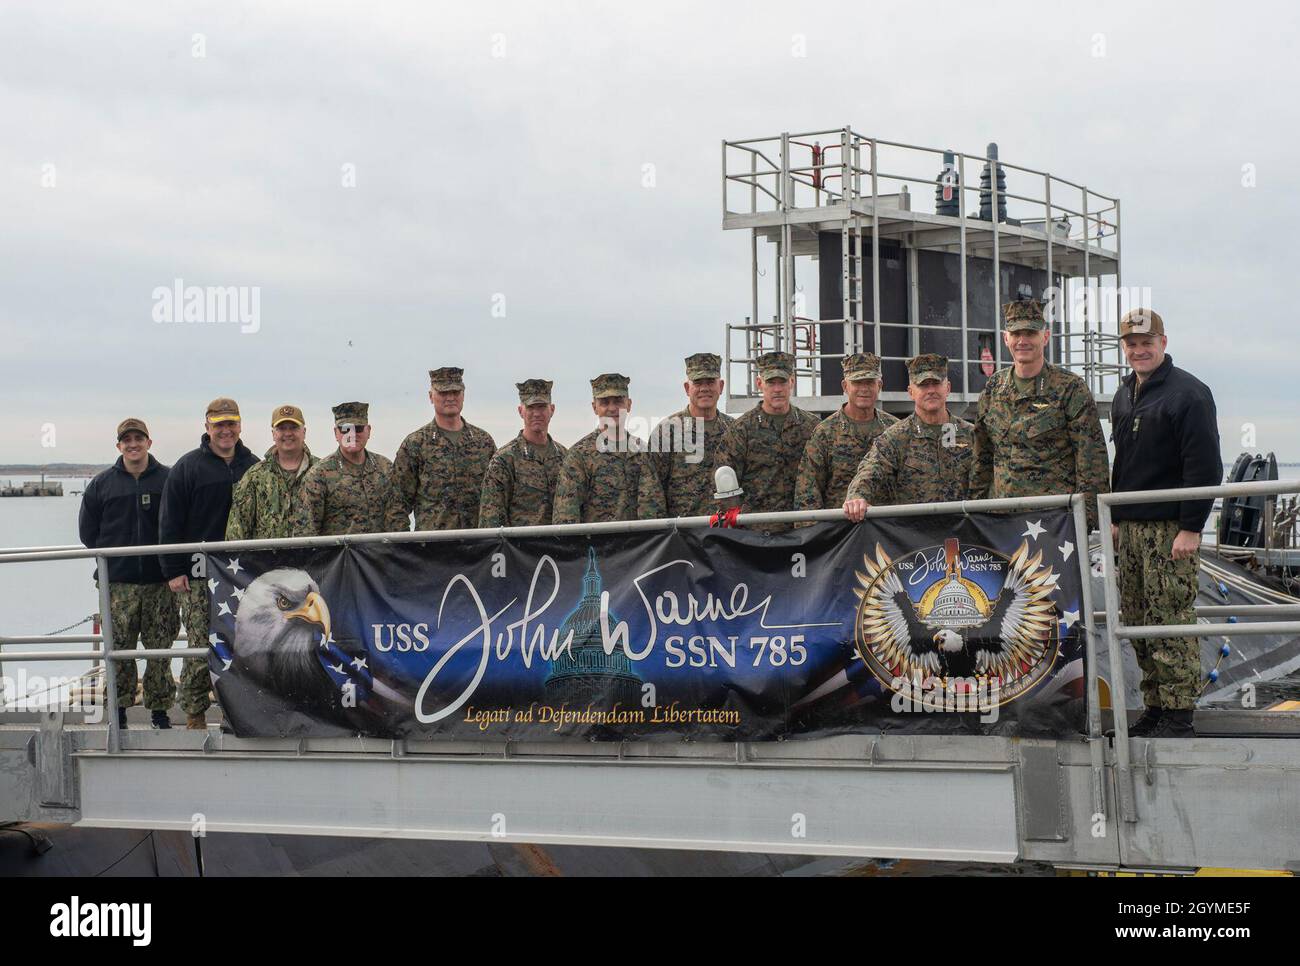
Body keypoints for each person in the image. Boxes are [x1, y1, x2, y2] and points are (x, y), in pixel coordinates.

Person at [1110, 308, 1220, 738]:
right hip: (1132, 528)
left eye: (1146, 342)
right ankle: (1154, 705)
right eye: (1131, 344)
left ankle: (1178, 714)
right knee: (1137, 619)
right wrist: (1117, 516)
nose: (1139, 350)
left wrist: (1192, 527)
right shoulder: (1125, 393)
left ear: (1163, 342)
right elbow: (1124, 461)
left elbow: (1205, 466)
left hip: (1170, 528)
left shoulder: (1188, 394)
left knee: (1169, 616)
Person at [158, 398, 259, 728]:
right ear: (207, 428)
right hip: (198, 575)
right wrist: (172, 570)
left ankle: (237, 713)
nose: (225, 430)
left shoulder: (254, 466)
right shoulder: (187, 468)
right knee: (201, 645)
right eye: (219, 425)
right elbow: (169, 522)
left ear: (240, 426)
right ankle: (194, 713)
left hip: (243, 576)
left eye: (231, 423)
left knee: (242, 646)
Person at [969, 298, 1110, 531]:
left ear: (1044, 337)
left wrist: (1087, 523)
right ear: (1006, 338)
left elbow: (1091, 464)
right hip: (1001, 523)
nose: (1022, 341)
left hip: (1055, 524)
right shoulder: (993, 389)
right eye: (1016, 334)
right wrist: (976, 515)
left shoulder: (1070, 388)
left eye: (1031, 333)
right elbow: (981, 459)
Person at [79, 418, 179, 729]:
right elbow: (88, 533)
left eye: (139, 438)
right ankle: (118, 712)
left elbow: (179, 524)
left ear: (150, 442)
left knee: (159, 650)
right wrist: (116, 559)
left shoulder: (168, 480)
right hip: (117, 584)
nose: (133, 444)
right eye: (127, 440)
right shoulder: (102, 485)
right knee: (119, 650)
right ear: (119, 445)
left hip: (160, 582)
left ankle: (160, 713)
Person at [844, 354, 973, 517]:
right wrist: (857, 496)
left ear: (947, 388)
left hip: (963, 533)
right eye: (923, 385)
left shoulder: (971, 435)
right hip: (916, 535)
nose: (931, 390)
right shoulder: (896, 437)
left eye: (936, 383)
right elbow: (871, 469)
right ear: (911, 392)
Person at [714, 350, 820, 532]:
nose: (777, 389)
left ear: (792, 382)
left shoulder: (812, 427)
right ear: (759, 384)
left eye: (783, 382)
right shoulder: (742, 430)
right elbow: (723, 477)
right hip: (756, 534)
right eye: (771, 382)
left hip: (803, 531)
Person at [552, 373, 666, 524]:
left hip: (638, 544)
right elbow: (565, 518)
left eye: (618, 401)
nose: (612, 408)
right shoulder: (579, 456)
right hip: (595, 544)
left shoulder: (642, 452)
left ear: (629, 405)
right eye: (605, 402)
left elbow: (655, 511)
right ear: (595, 407)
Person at [393, 367, 497, 531]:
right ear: (431, 396)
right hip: (433, 548)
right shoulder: (416, 444)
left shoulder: (483, 442)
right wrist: (406, 549)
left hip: (478, 547)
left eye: (455, 392)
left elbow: (495, 499)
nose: (450, 398)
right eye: (443, 393)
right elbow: (397, 504)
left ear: (464, 394)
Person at [795, 352, 898, 511]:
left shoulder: (894, 429)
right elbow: (808, 489)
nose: (864, 389)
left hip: (885, 526)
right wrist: (812, 534)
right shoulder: (826, 432)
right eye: (857, 382)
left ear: (879, 385)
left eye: (870, 382)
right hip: (840, 529)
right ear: (845, 386)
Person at [292, 402, 409, 537]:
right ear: (336, 433)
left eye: (358, 428)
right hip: (339, 557)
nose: (352, 434)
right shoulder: (320, 475)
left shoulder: (385, 468)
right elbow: (306, 532)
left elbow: (398, 521)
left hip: (380, 556)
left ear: (368, 431)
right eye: (345, 429)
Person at [653, 352, 735, 517]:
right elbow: (652, 489)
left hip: (726, 532)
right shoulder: (667, 431)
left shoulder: (734, 430)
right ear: (687, 388)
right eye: (698, 382)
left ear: (721, 386)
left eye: (710, 382)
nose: (704, 388)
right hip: (682, 534)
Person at [479, 379, 568, 527]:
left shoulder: (565, 457)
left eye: (541, 407)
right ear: (521, 411)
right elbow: (491, 518)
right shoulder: (505, 460)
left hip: (559, 546)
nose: (537, 413)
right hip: (519, 548)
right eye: (531, 407)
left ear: (552, 409)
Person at [225, 404, 319, 541]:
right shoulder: (255, 476)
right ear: (273, 434)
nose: (288, 433)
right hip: (266, 561)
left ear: (304, 432)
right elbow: (237, 528)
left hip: (314, 560)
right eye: (281, 428)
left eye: (293, 428)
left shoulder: (321, 472)